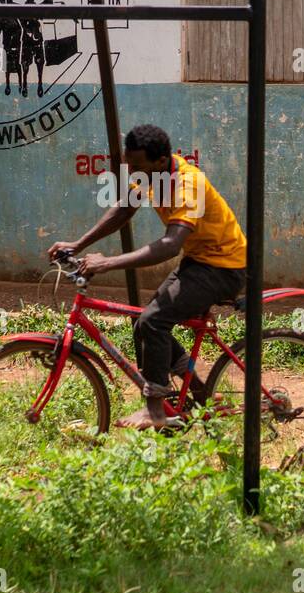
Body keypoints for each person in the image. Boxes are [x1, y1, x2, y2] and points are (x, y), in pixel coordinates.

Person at [47, 124, 246, 430]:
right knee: (145, 324)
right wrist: (79, 244)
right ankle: (201, 393)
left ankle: (155, 410)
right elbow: (125, 208)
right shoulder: (151, 174)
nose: (133, 172)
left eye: (138, 167)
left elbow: (170, 245)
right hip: (200, 261)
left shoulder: (187, 184)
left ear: (162, 159)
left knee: (154, 321)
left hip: (225, 267)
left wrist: (108, 262)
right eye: (130, 166)